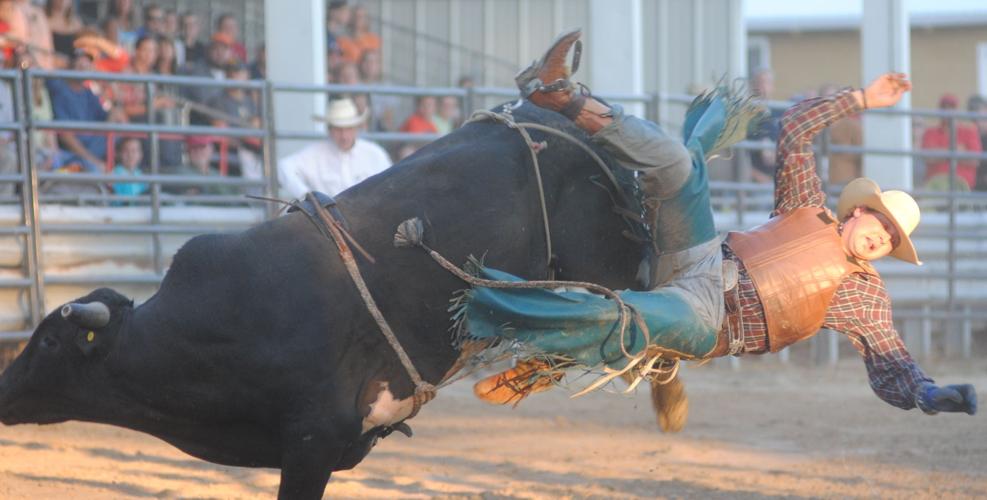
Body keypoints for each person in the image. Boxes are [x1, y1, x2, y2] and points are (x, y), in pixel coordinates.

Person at [465, 31, 977, 425]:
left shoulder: (864, 295)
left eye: (890, 240)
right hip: (701, 255)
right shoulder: (807, 205)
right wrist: (862, 98)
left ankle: (529, 344)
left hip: (711, 321)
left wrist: (927, 395)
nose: (880, 238)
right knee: (677, 164)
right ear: (858, 211)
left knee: (633, 317)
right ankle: (561, 97)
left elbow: (892, 362)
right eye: (881, 224)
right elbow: (796, 127)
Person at [278, 97, 391, 199]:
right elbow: (283, 167)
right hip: (326, 219)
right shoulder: (315, 153)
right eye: (338, 129)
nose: (344, 136)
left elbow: (389, 185)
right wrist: (306, 196)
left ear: (357, 128)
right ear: (329, 130)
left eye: (349, 128)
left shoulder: (374, 154)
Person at [47, 49, 110, 173]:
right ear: (71, 67)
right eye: (80, 65)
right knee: (93, 169)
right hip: (70, 152)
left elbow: (110, 119)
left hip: (91, 148)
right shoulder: (61, 90)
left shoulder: (89, 93)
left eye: (87, 66)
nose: (83, 69)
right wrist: (91, 160)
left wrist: (109, 87)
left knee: (120, 127)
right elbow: (65, 136)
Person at [920, 93, 982, 190]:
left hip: (962, 184)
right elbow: (928, 157)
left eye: (952, 107)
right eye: (944, 107)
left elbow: (974, 160)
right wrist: (955, 151)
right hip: (935, 184)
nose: (947, 110)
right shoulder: (930, 132)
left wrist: (941, 153)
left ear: (957, 110)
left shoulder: (969, 132)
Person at [746, 67, 780, 183]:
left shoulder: (779, 112)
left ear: (773, 87)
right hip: (752, 182)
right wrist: (755, 174)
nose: (763, 87)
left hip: (778, 181)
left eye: (768, 83)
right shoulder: (744, 115)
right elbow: (736, 154)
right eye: (760, 83)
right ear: (752, 86)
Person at [45, 0, 82, 66]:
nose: (62, 1)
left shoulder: (76, 23)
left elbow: (80, 48)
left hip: (72, 68)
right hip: (50, 66)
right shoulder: (42, 19)